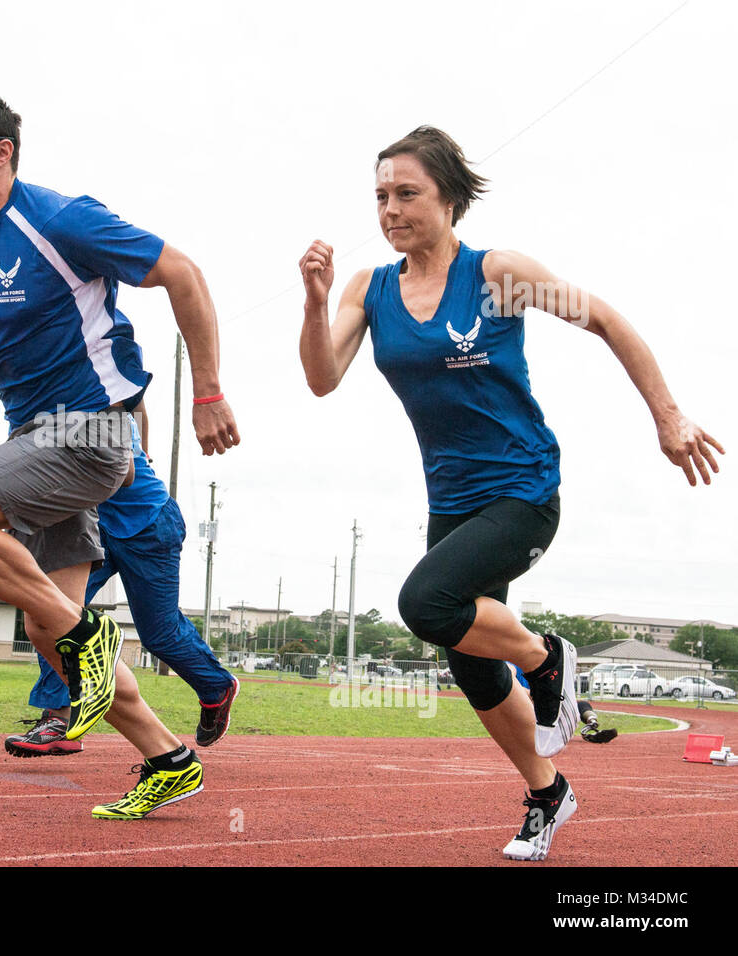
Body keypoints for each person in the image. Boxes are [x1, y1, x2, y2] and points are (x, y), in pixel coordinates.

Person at [298, 126, 722, 861]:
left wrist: (669, 415)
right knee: (466, 659)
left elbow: (608, 320)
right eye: (379, 197)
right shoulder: (370, 289)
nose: (389, 210)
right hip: (452, 503)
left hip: (523, 488)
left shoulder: (497, 272)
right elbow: (321, 377)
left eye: (407, 194)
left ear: (451, 199)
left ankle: (548, 658)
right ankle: (548, 792)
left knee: (425, 604)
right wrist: (314, 299)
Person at [0, 90, 239, 819]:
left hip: (97, 430)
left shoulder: (61, 219)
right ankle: (168, 757)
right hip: (33, 439)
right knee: (48, 622)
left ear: (2, 152)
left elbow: (182, 272)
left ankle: (95, 639)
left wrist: (209, 394)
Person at [4, 400, 239, 758]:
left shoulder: (98, 391)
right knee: (55, 613)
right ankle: (59, 719)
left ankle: (216, 687)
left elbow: (132, 406)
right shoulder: (48, 401)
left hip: (148, 525)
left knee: (158, 634)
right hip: (94, 527)